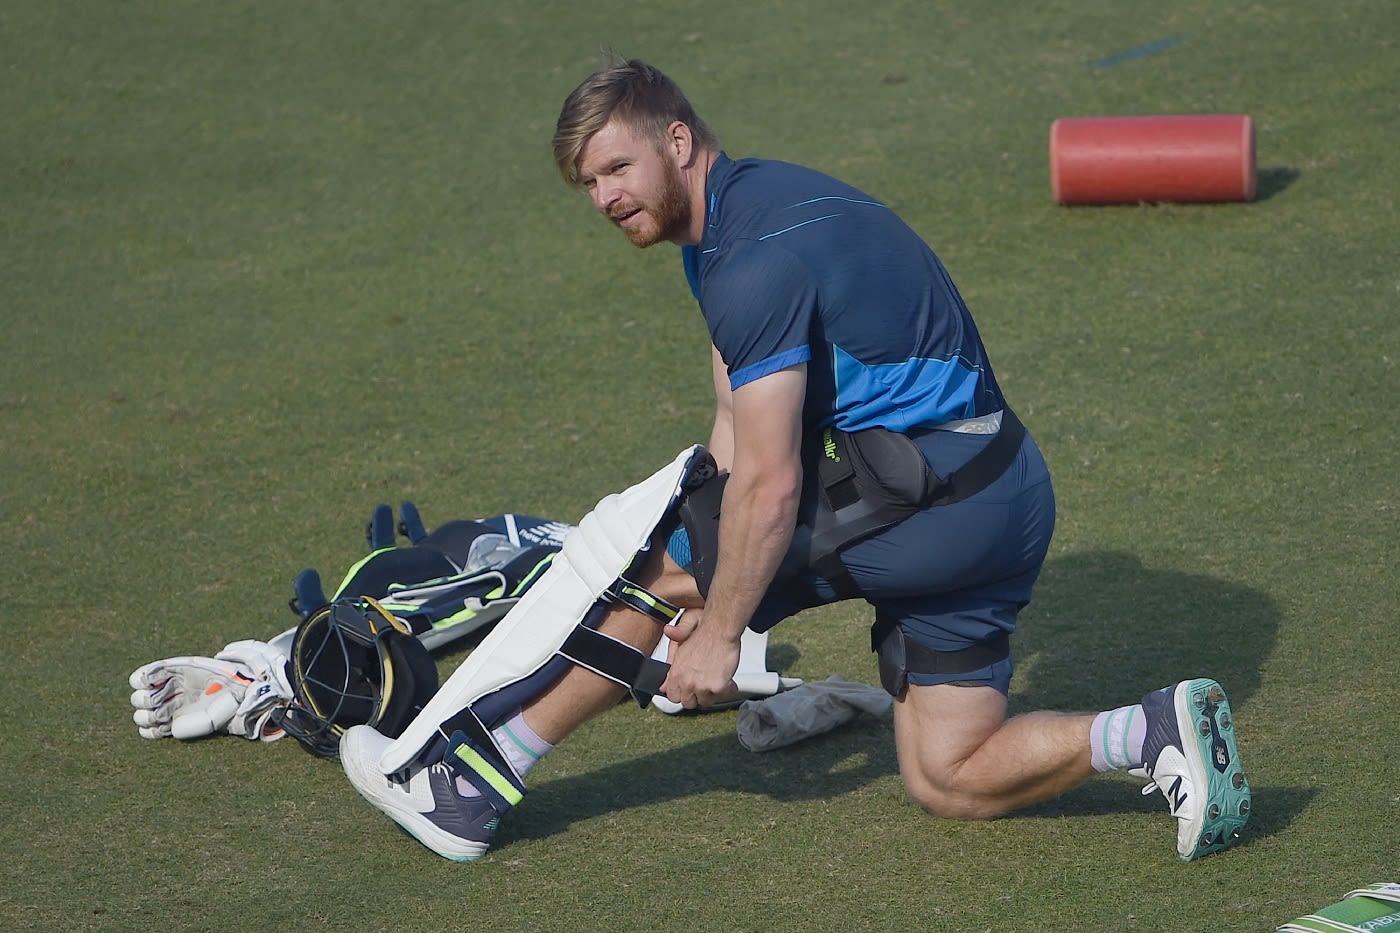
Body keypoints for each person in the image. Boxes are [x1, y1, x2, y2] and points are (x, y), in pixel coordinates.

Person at [337, 56, 1251, 863]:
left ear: (679, 141)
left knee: (652, 571)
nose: (605, 196)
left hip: (931, 499)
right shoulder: (749, 211)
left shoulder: (750, 261)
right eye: (588, 182)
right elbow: (734, 438)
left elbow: (770, 482)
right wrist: (715, 574)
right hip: (1001, 488)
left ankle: (469, 786)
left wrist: (722, 622)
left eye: (618, 167)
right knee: (948, 772)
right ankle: (1152, 732)